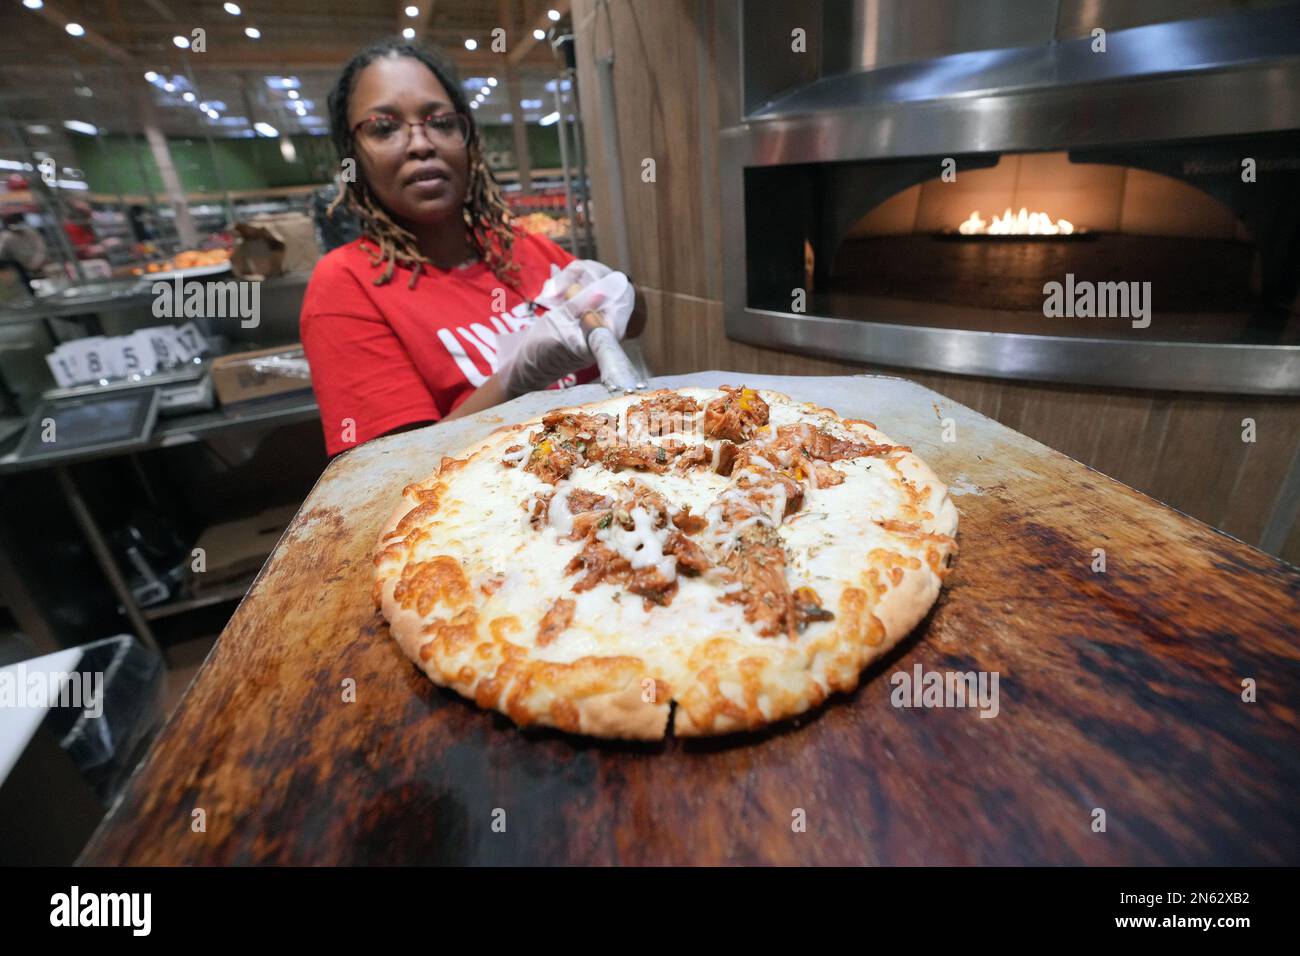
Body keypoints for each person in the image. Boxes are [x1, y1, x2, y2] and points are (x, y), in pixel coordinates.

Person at [300, 38, 642, 457]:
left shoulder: (519, 247)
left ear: (469, 143)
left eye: (441, 122)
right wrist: (516, 378)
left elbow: (632, 324)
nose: (422, 143)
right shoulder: (346, 284)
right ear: (352, 155)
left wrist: (621, 291)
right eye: (384, 128)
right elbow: (391, 471)